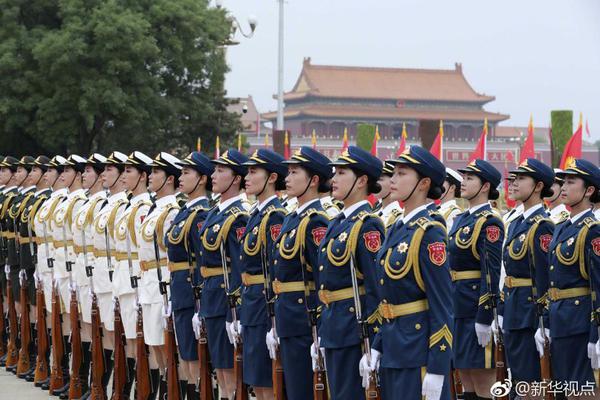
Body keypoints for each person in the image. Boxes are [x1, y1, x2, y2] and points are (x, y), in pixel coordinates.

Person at [362, 145, 454, 400]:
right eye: (394, 173)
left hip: (417, 350)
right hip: (393, 346)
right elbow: (388, 298)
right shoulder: (396, 228)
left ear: (424, 183)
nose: (392, 179)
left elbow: (442, 304)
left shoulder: (430, 232)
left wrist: (438, 367)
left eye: (402, 174)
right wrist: (378, 346)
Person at [314, 146, 385, 400]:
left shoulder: (368, 225)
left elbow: (378, 288)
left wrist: (375, 343)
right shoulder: (337, 222)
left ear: (362, 180)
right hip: (334, 326)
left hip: (355, 329)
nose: (334, 180)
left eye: (342, 173)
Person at [267, 147, 332, 400]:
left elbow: (321, 277)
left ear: (314, 180)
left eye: (295, 172)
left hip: (304, 318)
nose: (288, 177)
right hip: (288, 316)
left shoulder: (315, 221)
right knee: (292, 389)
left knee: (304, 389)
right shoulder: (293, 217)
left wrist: (319, 326)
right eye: (288, 172)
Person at [227, 149, 288, 400]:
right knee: (256, 378)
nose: (247, 177)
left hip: (265, 305)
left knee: (268, 378)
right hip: (251, 303)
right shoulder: (256, 215)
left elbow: (275, 267)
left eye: (254, 171)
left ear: (272, 177)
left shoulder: (274, 216)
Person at [542, 159, 600, 398]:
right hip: (560, 318)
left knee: (583, 389)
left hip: (580, 321)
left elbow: (598, 285)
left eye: (571, 182)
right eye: (562, 181)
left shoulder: (592, 230)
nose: (563, 187)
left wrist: (597, 335)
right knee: (565, 388)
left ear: (589, 190)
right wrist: (545, 319)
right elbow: (552, 279)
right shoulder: (562, 227)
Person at [448, 159, 504, 400]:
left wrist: (485, 316)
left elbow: (491, 272)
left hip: (474, 308)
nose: (463, 181)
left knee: (483, 380)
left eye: (470, 178)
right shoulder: (461, 219)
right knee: (466, 379)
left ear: (485, 186)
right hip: (457, 307)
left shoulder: (490, 221)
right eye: (464, 177)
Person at [496, 158, 555, 387]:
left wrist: (545, 320)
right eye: (514, 178)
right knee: (519, 380)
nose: (514, 183)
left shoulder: (542, 225)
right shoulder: (517, 222)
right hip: (514, 309)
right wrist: (501, 309)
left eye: (522, 178)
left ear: (538, 186)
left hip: (530, 314)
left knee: (532, 383)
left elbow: (545, 277)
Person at [198, 149, 249, 399]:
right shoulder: (216, 212)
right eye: (214, 169)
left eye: (221, 171)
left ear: (236, 179)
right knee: (219, 365)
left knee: (230, 367)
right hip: (211, 294)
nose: (213, 175)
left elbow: (239, 269)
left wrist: (235, 312)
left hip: (225, 297)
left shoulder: (237, 216)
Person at [137, 152, 183, 398]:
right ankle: (164, 389)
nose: (151, 176)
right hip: (149, 282)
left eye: (156, 172)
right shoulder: (156, 209)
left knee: (166, 346)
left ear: (169, 180)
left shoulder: (173, 211)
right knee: (153, 343)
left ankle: (170, 391)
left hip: (162, 281)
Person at [170, 151, 215, 399]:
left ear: (202, 179)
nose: (181, 176)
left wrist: (200, 303)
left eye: (187, 172)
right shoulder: (185, 211)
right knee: (185, 353)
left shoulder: (201, 215)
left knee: (195, 357)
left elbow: (201, 261)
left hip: (191, 292)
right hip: (179, 289)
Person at [113, 151, 153, 398]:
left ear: (143, 176)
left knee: (143, 343)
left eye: (129, 171)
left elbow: (145, 251)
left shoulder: (145, 208)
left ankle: (144, 390)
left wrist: (139, 283)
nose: (124, 175)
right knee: (129, 339)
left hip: (138, 280)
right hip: (123, 278)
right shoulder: (128, 206)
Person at [91, 151, 129, 394]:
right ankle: (102, 386)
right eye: (103, 169)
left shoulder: (125, 204)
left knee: (119, 334)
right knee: (105, 330)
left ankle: (120, 387)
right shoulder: (104, 203)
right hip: (102, 273)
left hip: (117, 273)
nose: (103, 174)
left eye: (110, 170)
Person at [49, 154, 88, 396]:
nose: (62, 174)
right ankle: (70, 376)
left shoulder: (80, 202)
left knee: (80, 324)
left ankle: (81, 379)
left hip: (77, 269)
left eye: (67, 170)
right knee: (66, 321)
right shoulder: (63, 201)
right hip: (62, 267)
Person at [70, 153, 107, 397]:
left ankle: (100, 385)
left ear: (101, 176)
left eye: (89, 171)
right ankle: (85, 381)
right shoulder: (85, 203)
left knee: (101, 330)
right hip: (83, 271)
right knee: (85, 327)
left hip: (100, 274)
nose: (84, 174)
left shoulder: (104, 205)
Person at [18, 156, 53, 382]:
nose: (29, 173)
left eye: (32, 170)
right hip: (25, 258)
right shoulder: (29, 199)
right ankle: (33, 359)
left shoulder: (47, 199)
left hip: (47, 263)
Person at [374, 160, 403, 228]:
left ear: (393, 182)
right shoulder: (375, 211)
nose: (375, 183)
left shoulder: (397, 217)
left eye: (380, 179)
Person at [438, 167, 463, 232]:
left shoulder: (454, 212)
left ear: (452, 188)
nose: (438, 185)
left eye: (442, 182)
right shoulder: (438, 208)